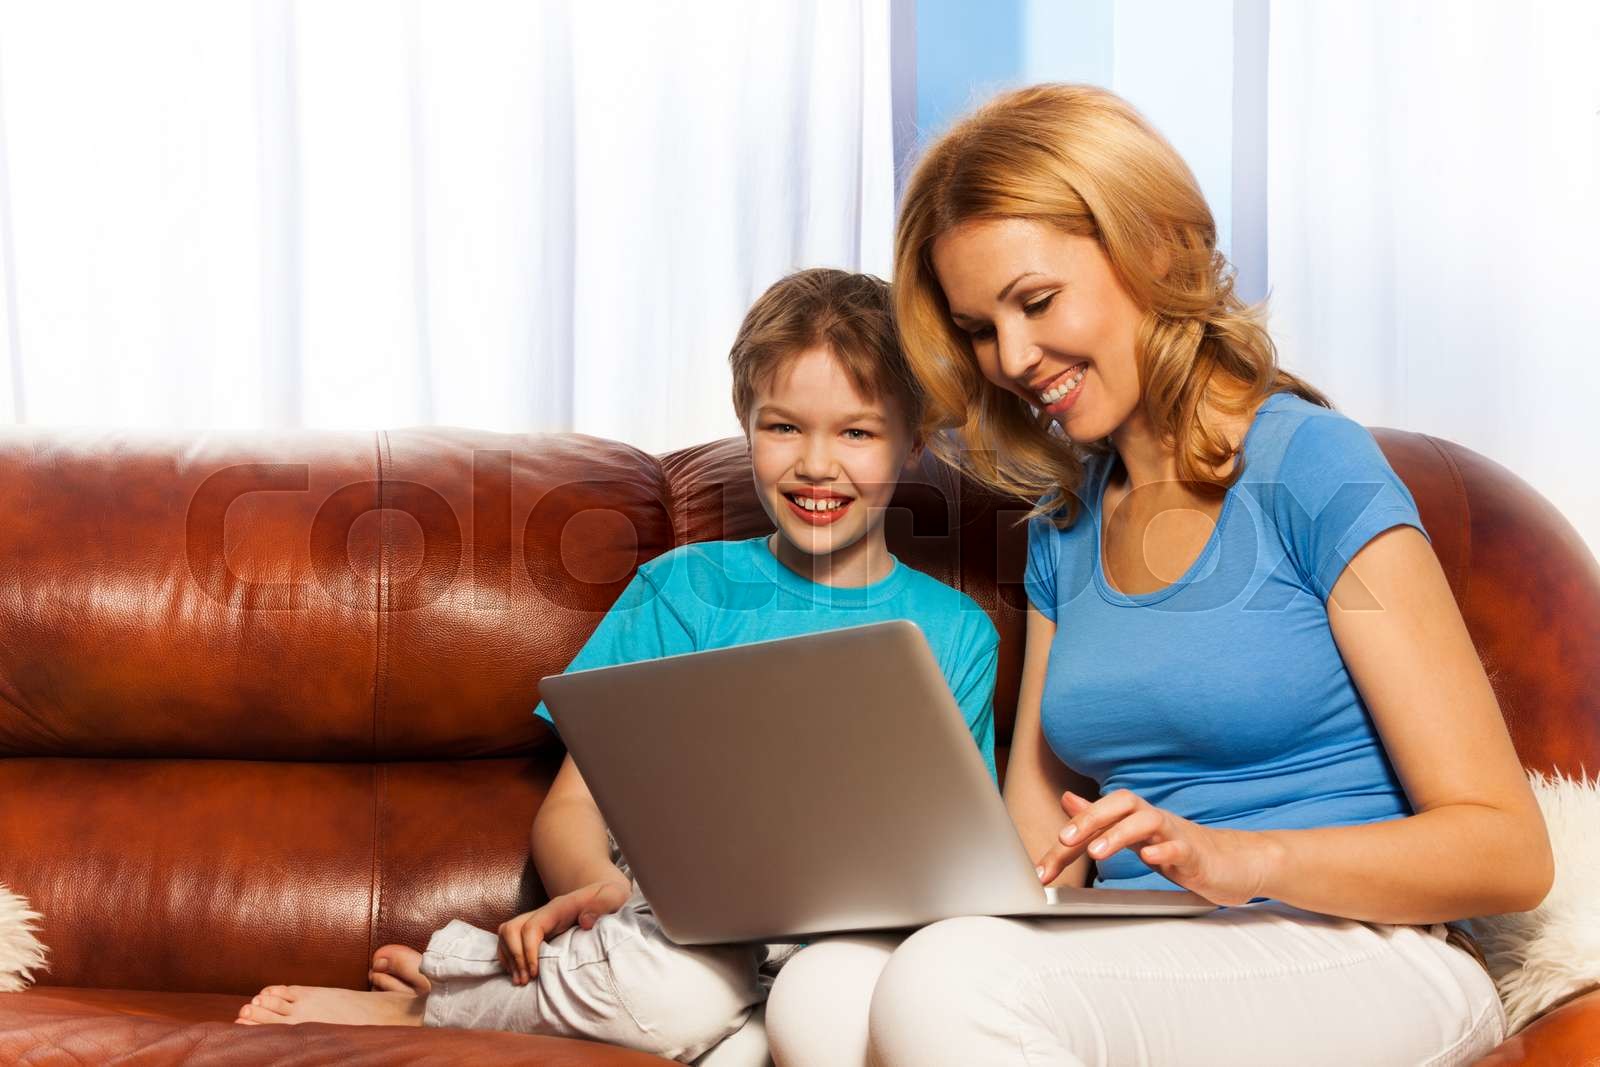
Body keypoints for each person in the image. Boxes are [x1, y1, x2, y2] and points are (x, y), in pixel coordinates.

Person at [765, 84, 1552, 1066]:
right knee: (821, 988)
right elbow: (1031, 852)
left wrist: (1242, 856)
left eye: (1036, 300)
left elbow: (1506, 851)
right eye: (977, 327)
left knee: (952, 984)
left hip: (1369, 950)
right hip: (1150, 947)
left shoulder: (1312, 466)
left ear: (1146, 246)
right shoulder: (1063, 526)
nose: (1011, 357)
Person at [233, 268, 1001, 1065]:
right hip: (672, 925)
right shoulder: (680, 590)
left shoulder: (955, 631)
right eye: (783, 427)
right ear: (745, 424)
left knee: (796, 1029)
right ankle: (430, 1008)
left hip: (846, 952)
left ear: (914, 439)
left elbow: (958, 856)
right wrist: (596, 886)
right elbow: (569, 810)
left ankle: (468, 994)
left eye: (857, 433)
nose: (816, 463)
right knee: (682, 992)